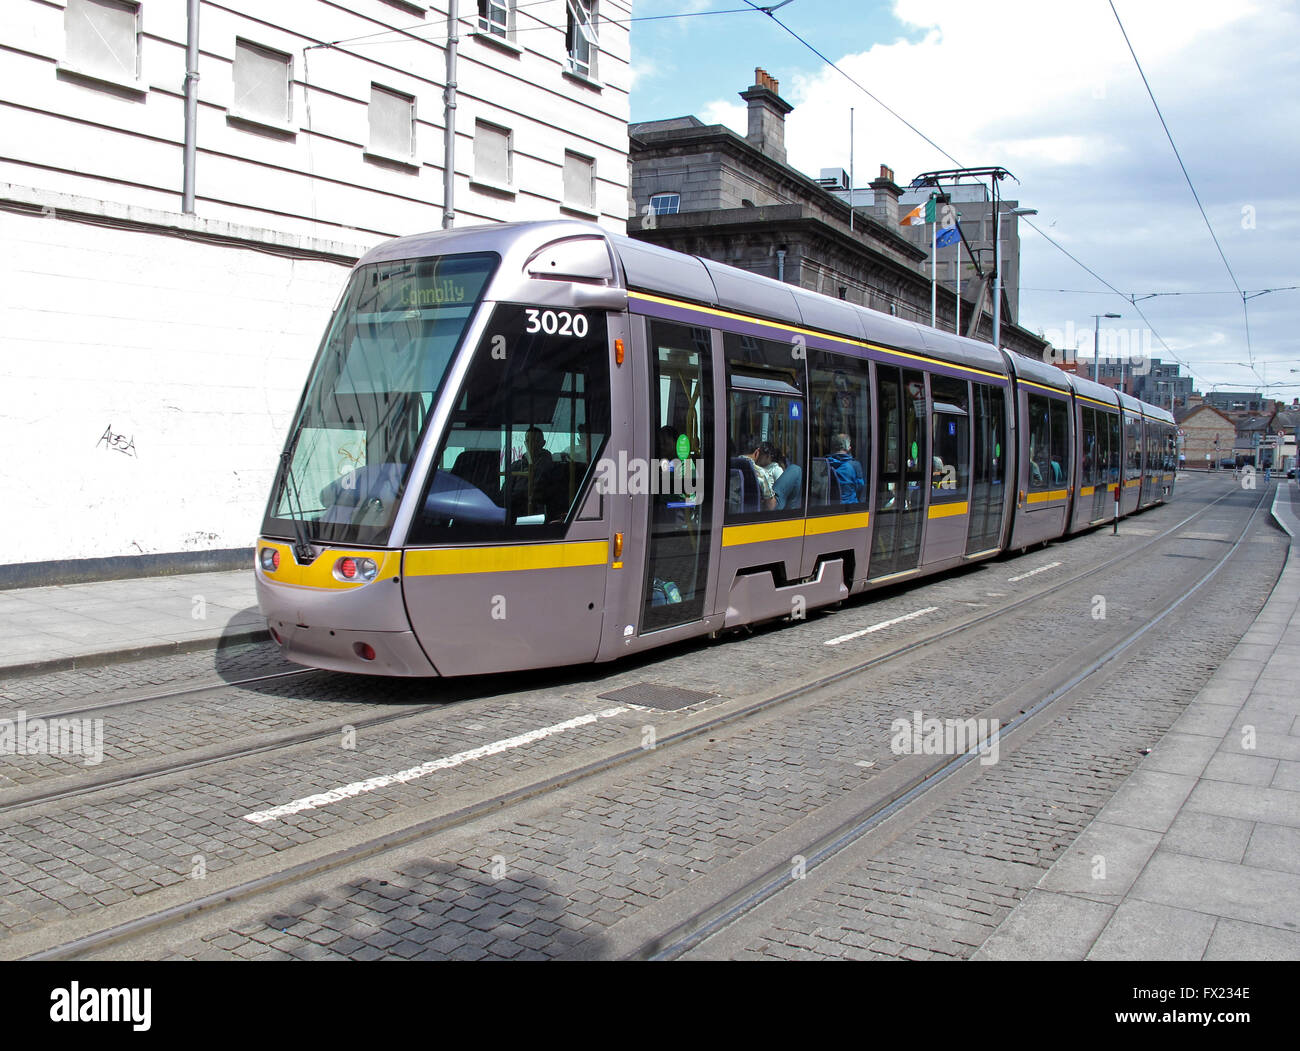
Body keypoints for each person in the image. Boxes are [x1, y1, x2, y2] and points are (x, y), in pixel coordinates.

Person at [826, 433, 867, 505]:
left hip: (828, 505)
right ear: (848, 448)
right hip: (849, 507)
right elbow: (860, 487)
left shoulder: (825, 463)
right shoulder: (855, 465)